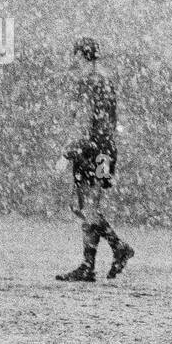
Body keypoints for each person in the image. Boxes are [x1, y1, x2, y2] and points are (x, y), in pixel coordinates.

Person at [55, 37, 135, 282]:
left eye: (74, 55)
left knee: (82, 207)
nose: (72, 60)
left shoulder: (88, 81)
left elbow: (86, 121)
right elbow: (106, 120)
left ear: (81, 55)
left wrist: (68, 152)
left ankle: (112, 251)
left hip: (90, 150)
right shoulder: (105, 78)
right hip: (106, 150)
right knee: (90, 207)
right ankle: (93, 262)